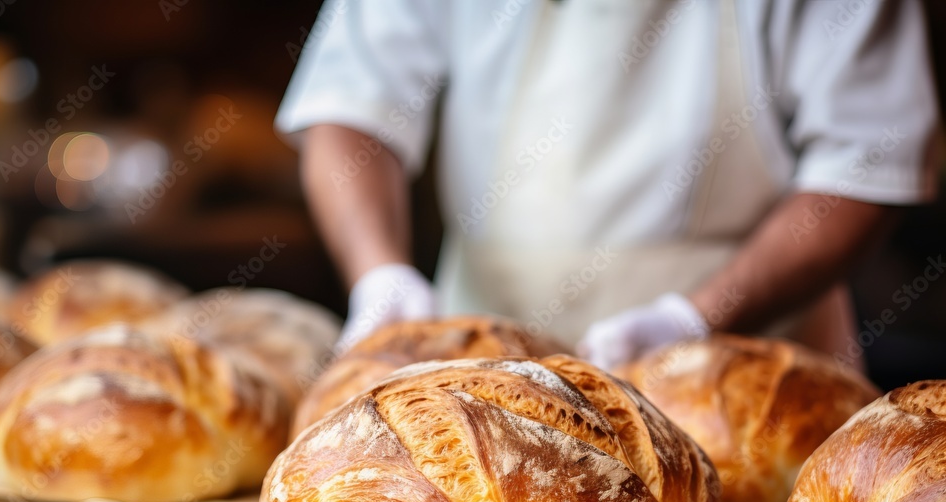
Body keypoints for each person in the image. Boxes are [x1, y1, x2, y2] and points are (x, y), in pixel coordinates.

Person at [277, 0, 939, 369]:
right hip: (476, 371)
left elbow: (867, 164)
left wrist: (698, 318)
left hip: (749, 375)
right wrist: (379, 273)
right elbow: (350, 108)